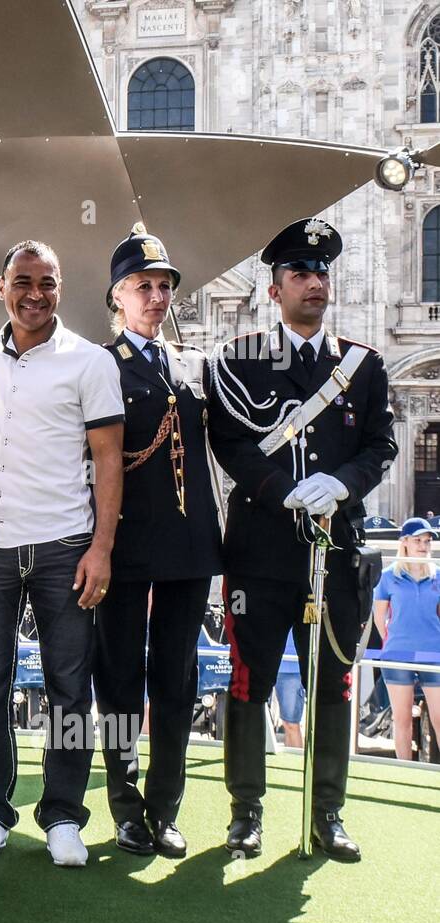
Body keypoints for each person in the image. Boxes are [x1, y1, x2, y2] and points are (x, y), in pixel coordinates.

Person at [0, 239, 124, 868]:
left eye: (47, 282)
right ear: (1, 288)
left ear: (61, 288)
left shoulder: (90, 362)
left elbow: (109, 459)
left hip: (65, 545)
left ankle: (64, 815)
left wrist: (102, 548)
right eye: (22, 282)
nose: (34, 294)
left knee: (69, 688)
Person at [206, 217, 396, 862]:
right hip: (260, 552)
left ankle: (329, 814)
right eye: (299, 274)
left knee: (335, 683)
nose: (314, 284)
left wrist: (342, 485)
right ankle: (245, 813)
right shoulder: (237, 361)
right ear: (274, 289)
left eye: (321, 274)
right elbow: (229, 442)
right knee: (248, 681)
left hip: (334, 553)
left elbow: (381, 445)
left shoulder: (361, 366)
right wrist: (276, 488)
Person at [93, 226, 221, 858]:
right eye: (142, 286)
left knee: (176, 678)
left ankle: (165, 805)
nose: (156, 296)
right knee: (119, 677)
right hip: (123, 545)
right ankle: (124, 805)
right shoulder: (100, 366)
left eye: (164, 285)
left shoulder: (196, 366)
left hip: (189, 546)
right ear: (118, 297)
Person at [372, 517, 440, 761]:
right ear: (405, 543)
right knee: (401, 720)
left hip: (434, 654)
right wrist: (394, 643)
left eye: (427, 541)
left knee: (439, 718)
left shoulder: (438, 576)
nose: (423, 545)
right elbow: (379, 617)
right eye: (417, 540)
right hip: (398, 655)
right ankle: (405, 771)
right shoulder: (388, 577)